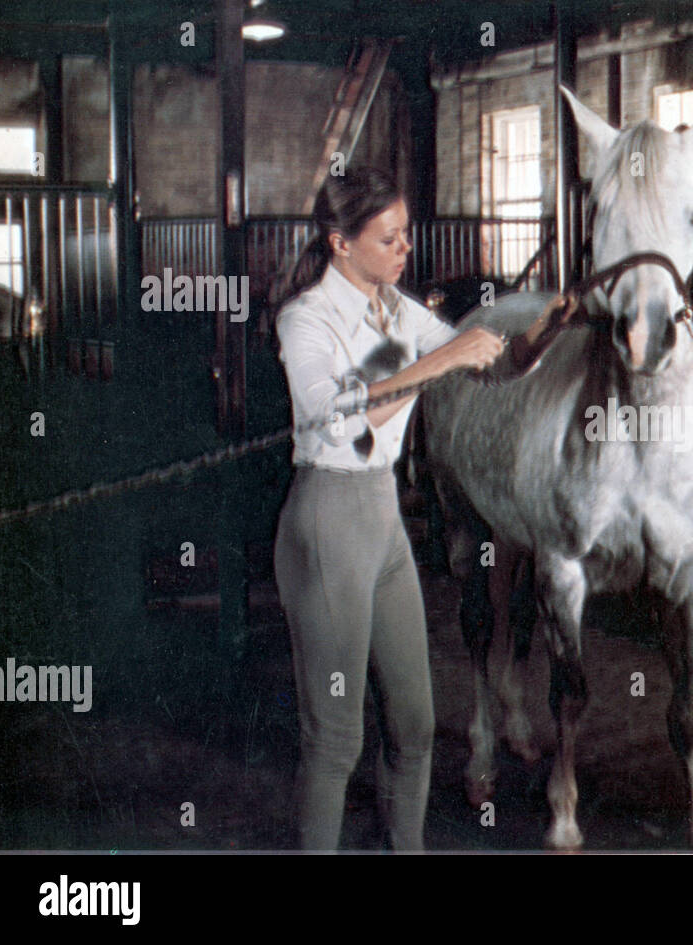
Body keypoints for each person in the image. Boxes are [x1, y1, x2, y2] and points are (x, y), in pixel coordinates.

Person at [270, 167, 505, 850]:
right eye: (388, 237)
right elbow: (337, 418)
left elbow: (475, 349)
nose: (405, 249)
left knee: (415, 723)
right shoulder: (305, 319)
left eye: (407, 235)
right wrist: (443, 359)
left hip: (382, 519)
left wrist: (551, 321)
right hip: (327, 518)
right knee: (336, 737)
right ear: (340, 244)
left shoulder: (397, 311)